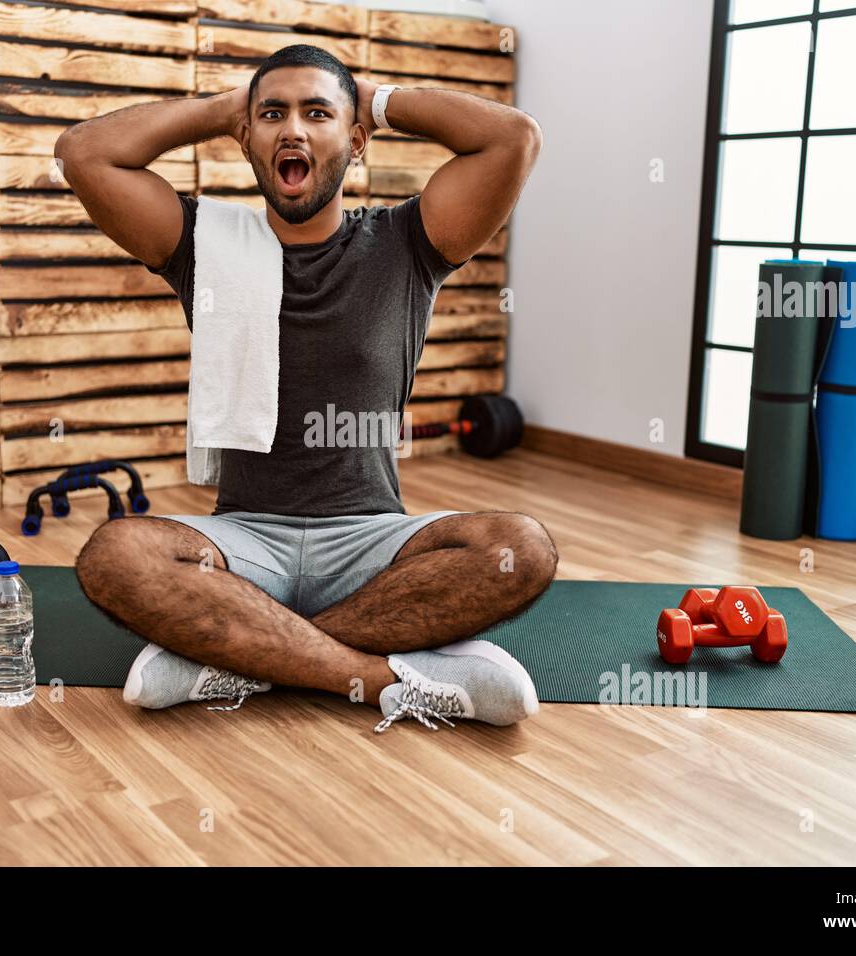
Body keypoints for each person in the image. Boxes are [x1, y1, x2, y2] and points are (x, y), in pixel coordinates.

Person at [56, 44, 553, 733]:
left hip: (370, 539)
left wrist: (372, 98)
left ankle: (240, 654)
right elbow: (84, 153)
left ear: (354, 144)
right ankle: (381, 678)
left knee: (519, 549)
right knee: (116, 556)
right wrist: (224, 110)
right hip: (241, 541)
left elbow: (513, 137)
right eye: (273, 115)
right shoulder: (201, 242)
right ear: (249, 140)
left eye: (317, 113)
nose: (293, 129)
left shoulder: (409, 241)